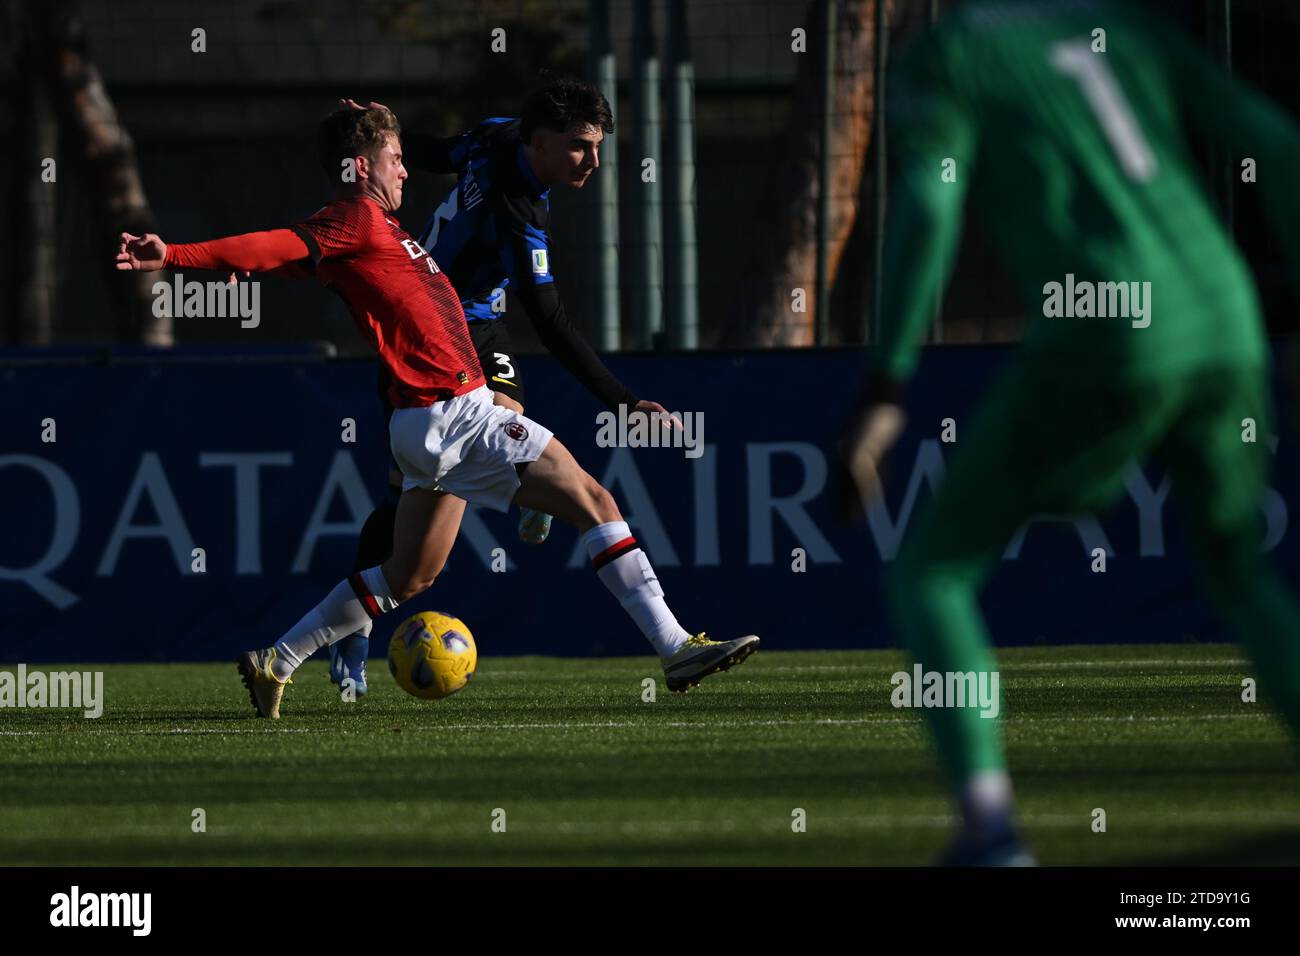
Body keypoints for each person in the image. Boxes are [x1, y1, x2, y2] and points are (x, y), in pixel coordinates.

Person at [841, 0, 1300, 865]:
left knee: (934, 570)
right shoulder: (1124, 25)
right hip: (1227, 318)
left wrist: (886, 384)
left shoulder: (947, 58)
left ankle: (991, 834)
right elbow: (1277, 143)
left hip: (1108, 333)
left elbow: (930, 210)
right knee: (1242, 574)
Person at [116, 105, 759, 718]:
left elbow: (307, 261)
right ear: (361, 167)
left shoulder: (373, 231)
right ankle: (675, 648)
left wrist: (252, 266)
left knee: (408, 576)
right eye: (393, 157)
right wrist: (175, 255)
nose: (405, 168)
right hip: (455, 409)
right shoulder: (358, 219)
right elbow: (275, 244)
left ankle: (276, 660)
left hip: (421, 426)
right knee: (596, 501)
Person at [326, 76, 673, 694]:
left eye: (598, 146)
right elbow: (551, 320)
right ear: (539, 142)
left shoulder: (495, 136)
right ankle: (352, 636)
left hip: (478, 325)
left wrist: (385, 121)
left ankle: (532, 493)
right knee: (403, 496)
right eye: (579, 146)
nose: (594, 161)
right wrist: (621, 401)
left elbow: (430, 153)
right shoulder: (520, 211)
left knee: (508, 409)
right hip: (426, 335)